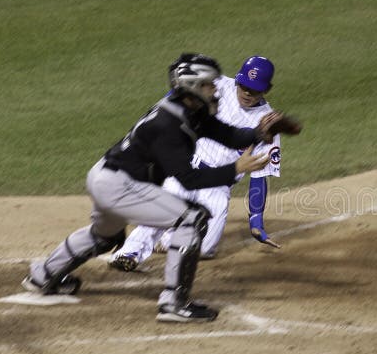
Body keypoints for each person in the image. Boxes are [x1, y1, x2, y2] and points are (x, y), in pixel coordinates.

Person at [22, 53, 278, 323]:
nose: (216, 90)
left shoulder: (190, 111)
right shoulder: (169, 123)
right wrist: (236, 169)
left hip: (108, 177)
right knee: (192, 219)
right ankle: (174, 303)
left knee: (105, 237)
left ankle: (43, 276)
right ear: (192, 86)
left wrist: (258, 133)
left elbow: (228, 135)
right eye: (208, 85)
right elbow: (189, 179)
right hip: (121, 186)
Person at [108, 56, 283, 273]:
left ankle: (169, 237)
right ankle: (129, 252)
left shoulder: (268, 123)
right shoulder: (217, 86)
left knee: (205, 249)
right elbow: (178, 96)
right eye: (244, 86)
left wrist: (256, 221)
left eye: (254, 90)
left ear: (267, 89)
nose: (247, 93)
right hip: (187, 169)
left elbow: (259, 175)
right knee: (161, 209)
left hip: (219, 186)